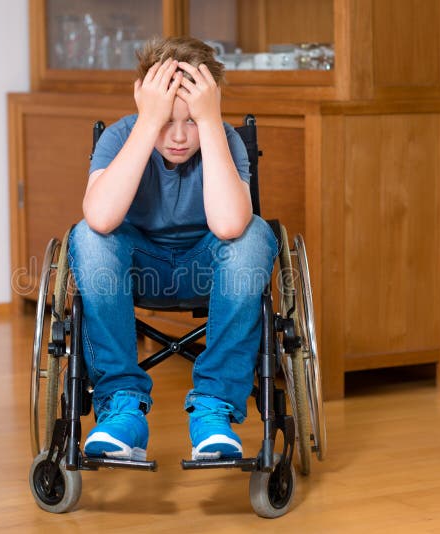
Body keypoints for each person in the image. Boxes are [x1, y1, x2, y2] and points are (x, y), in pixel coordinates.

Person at [67, 36, 277, 462]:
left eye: (191, 121)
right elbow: (102, 219)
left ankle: (213, 408)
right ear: (142, 101)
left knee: (253, 233)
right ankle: (122, 406)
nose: (179, 137)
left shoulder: (224, 139)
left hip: (209, 268)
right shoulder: (122, 136)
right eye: (167, 120)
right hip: (134, 268)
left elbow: (230, 225)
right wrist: (148, 122)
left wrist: (212, 121)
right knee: (88, 235)